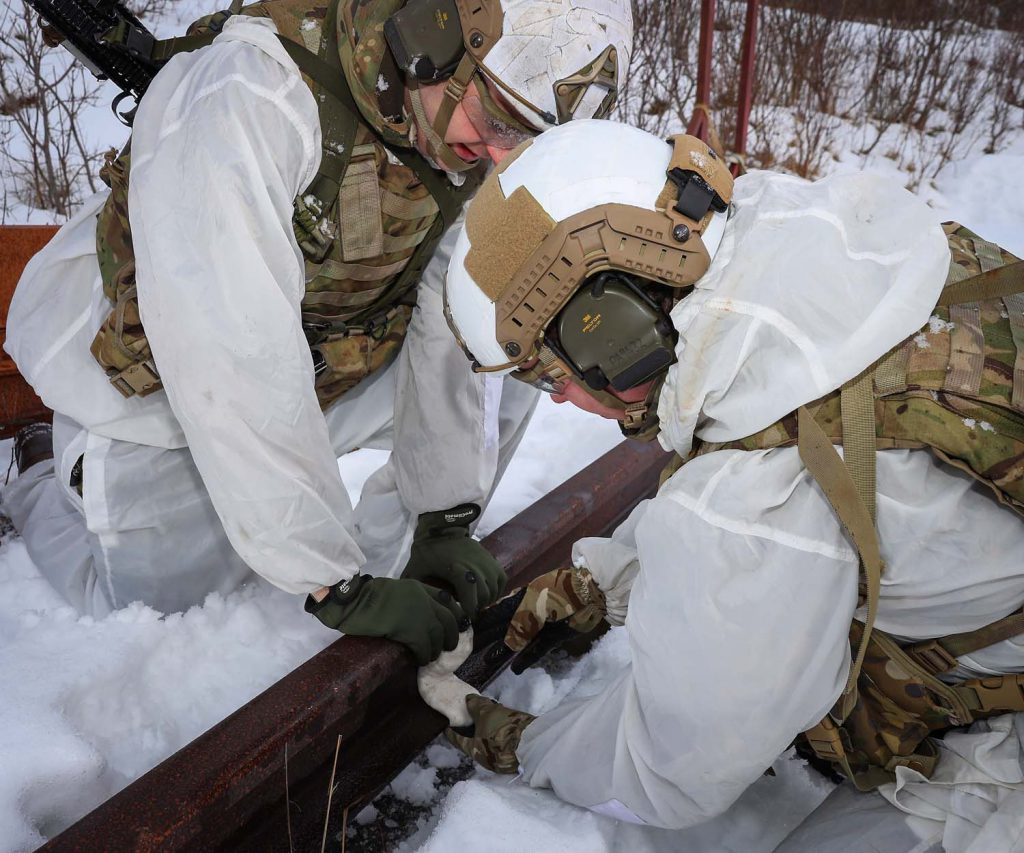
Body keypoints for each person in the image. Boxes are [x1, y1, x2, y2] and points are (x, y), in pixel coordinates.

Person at [442, 119, 1024, 850]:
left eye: (549, 374)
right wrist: (599, 583)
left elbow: (670, 772)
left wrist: (523, 742)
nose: (558, 399)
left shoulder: (750, 498)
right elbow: (762, 484)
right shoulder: (823, 248)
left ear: (610, 337)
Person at [1, 0, 632, 665]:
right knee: (150, 612)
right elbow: (228, 354)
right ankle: (40, 473)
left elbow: (457, 309)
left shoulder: (464, 128)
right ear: (433, 37)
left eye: (528, 136)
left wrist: (441, 509)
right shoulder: (251, 92)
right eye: (500, 116)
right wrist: (326, 575)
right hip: (156, 386)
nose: (503, 153)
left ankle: (399, 555)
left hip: (324, 356)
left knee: (509, 353)